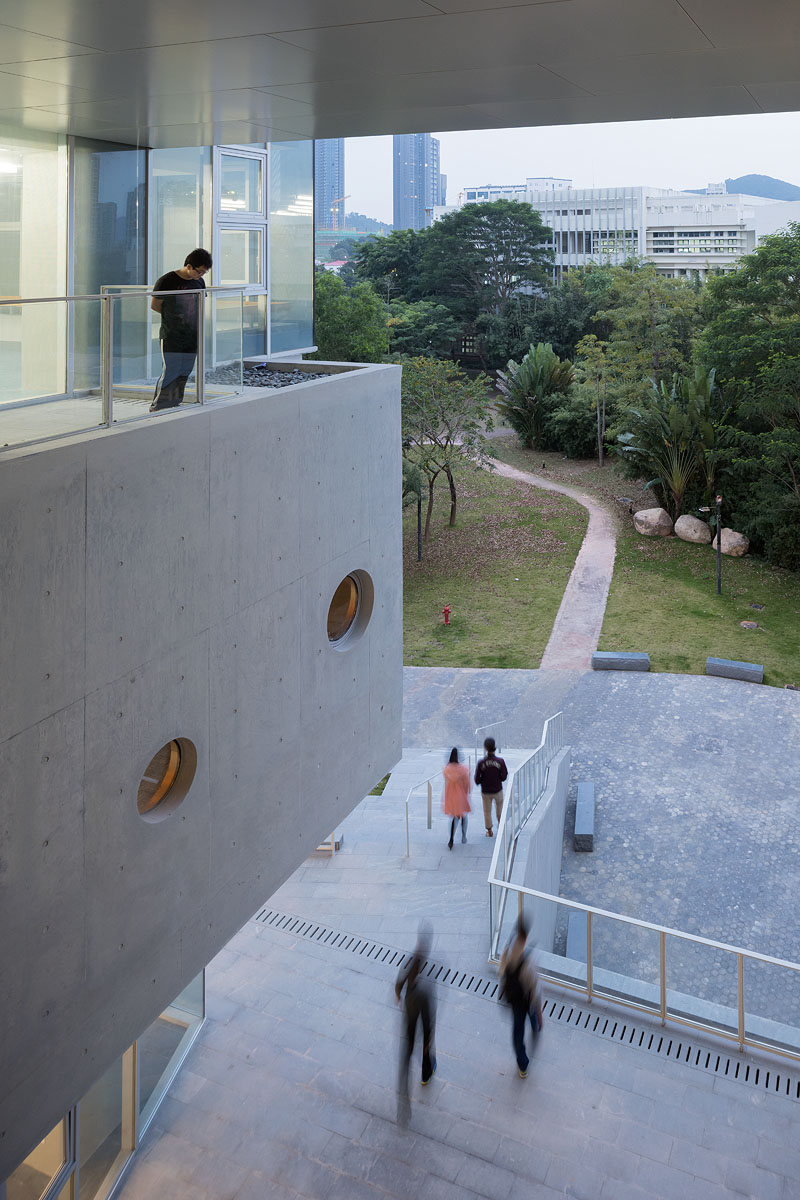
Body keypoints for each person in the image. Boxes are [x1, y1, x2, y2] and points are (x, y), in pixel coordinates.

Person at [150, 248, 212, 412]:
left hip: (192, 334)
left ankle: (175, 401)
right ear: (189, 266)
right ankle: (158, 405)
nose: (200, 276)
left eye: (203, 273)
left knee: (185, 370)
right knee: (171, 369)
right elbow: (155, 306)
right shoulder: (167, 280)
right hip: (171, 334)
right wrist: (175, 319)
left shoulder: (199, 283)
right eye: (199, 272)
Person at [395, 922, 437, 1125]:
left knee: (407, 1051)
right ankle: (426, 1073)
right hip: (419, 1007)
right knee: (425, 1045)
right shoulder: (426, 983)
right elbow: (428, 1019)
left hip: (409, 1010)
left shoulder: (411, 960)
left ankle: (403, 1108)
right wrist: (428, 1039)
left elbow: (399, 982)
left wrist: (398, 996)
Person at [500, 916, 543, 1078]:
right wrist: (538, 1008)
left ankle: (522, 1065)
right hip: (526, 998)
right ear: (526, 934)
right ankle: (535, 1026)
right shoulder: (528, 960)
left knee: (517, 1030)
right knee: (532, 1013)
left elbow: (502, 970)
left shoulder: (508, 946)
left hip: (513, 997)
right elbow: (534, 988)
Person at [474, 736, 508, 837]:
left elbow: (477, 779)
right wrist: (498, 780)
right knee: (500, 810)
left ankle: (489, 831)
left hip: (486, 791)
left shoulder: (481, 763)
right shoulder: (500, 761)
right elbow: (504, 776)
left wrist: (483, 781)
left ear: (485, 748)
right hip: (498, 790)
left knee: (487, 811)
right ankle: (502, 829)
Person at [443, 746, 471, 849]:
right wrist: (467, 792)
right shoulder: (463, 770)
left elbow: (446, 781)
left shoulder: (447, 770)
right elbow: (467, 784)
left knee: (454, 817)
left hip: (451, 796)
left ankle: (451, 838)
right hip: (461, 795)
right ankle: (463, 835)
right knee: (463, 815)